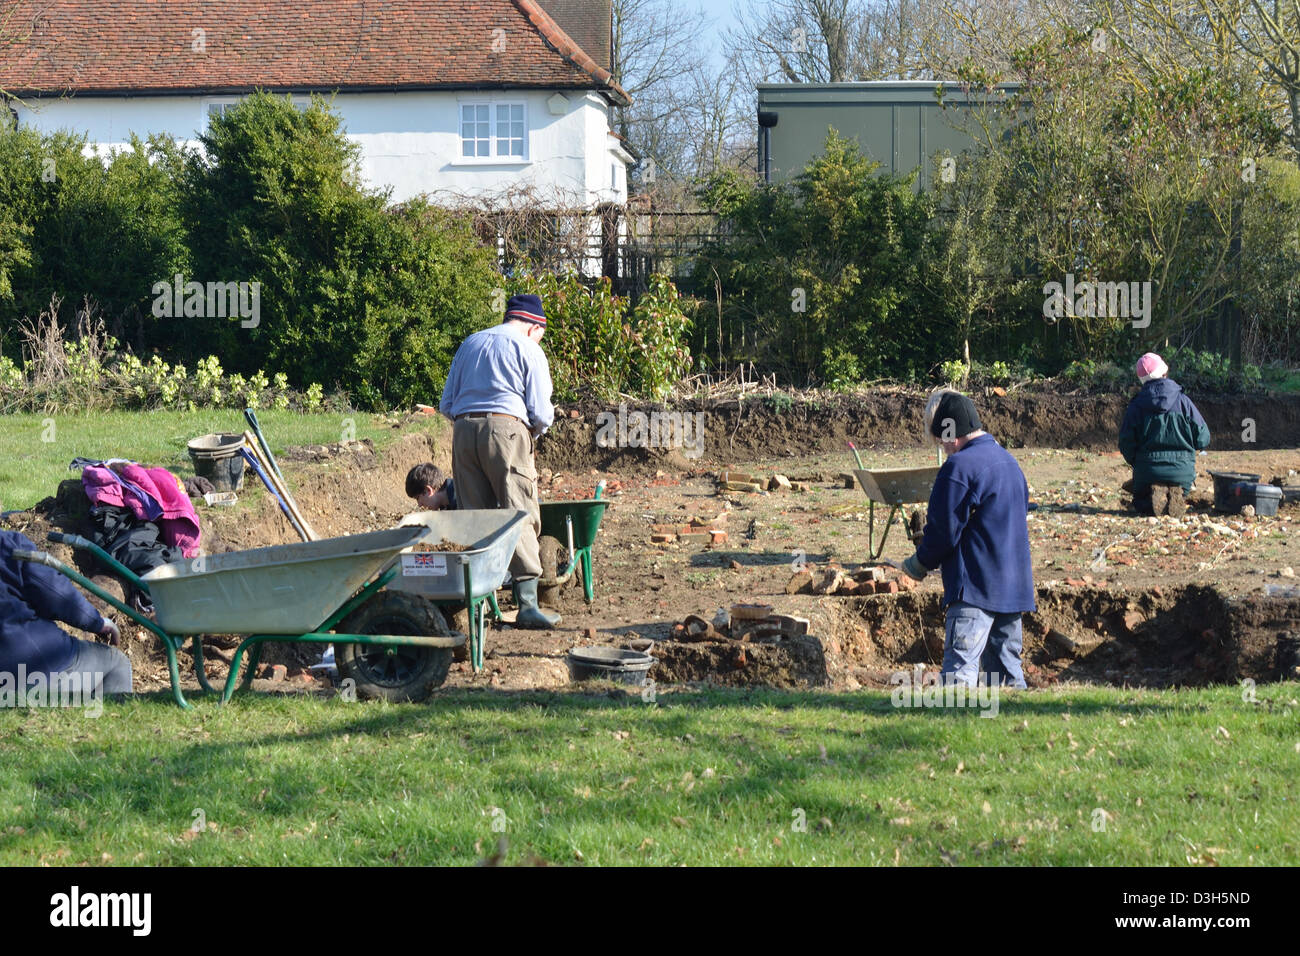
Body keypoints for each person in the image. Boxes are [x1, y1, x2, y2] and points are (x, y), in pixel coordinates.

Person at [900, 390, 1035, 688]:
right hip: (1013, 591)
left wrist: (918, 563)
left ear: (950, 431)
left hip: (974, 590)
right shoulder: (1009, 463)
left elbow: (944, 532)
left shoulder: (959, 467)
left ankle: (952, 732)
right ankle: (1019, 730)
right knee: (1007, 679)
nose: (943, 447)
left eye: (940, 439)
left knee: (959, 680)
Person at [439, 293, 559, 629]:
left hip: (463, 431)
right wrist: (526, 434)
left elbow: (447, 403)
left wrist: (471, 427)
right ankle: (528, 606)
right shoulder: (528, 348)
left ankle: (473, 606)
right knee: (518, 511)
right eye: (541, 335)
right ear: (534, 327)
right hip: (506, 428)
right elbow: (540, 411)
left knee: (474, 517)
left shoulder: (470, 343)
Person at [1, 529, 133, 699]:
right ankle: (108, 722)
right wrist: (97, 622)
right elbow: (57, 596)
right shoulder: (8, 544)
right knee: (116, 662)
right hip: (30, 665)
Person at [1119, 352, 1210, 518]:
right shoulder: (1184, 402)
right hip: (1182, 472)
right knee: (1179, 488)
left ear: (1141, 380)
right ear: (1164, 372)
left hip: (1147, 471)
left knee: (1142, 504)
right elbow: (1203, 438)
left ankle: (1152, 500)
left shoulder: (1135, 406)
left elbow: (1125, 443)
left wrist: (1137, 462)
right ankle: (1176, 494)